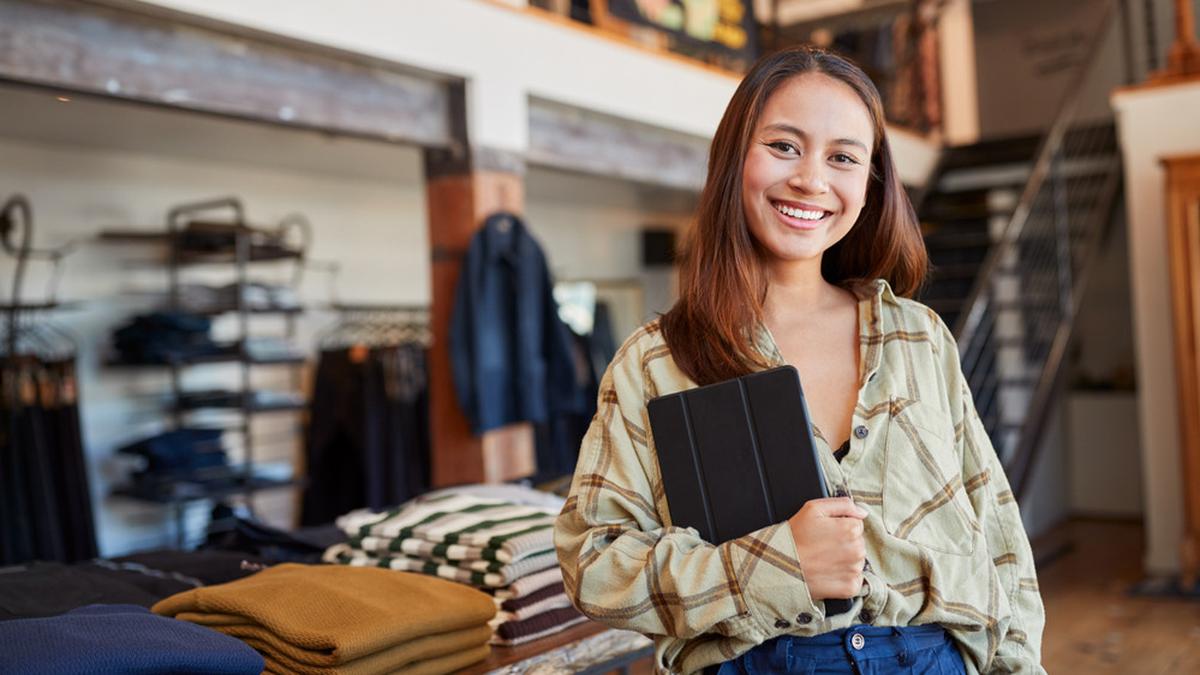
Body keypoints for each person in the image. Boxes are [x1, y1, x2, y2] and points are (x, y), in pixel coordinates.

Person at [553, 46, 1046, 675]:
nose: (812, 179)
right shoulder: (656, 361)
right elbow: (593, 560)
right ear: (735, 159)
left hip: (935, 657)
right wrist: (776, 562)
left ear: (869, 184)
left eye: (843, 157)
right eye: (784, 146)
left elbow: (998, 533)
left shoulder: (918, 337)